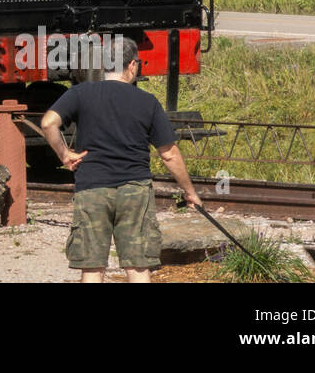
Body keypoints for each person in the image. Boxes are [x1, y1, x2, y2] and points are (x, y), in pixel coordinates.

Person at [40, 36, 201, 282]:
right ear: (133, 65)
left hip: (92, 188)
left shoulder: (81, 93)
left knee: (92, 268)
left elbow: (48, 122)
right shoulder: (147, 101)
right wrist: (189, 191)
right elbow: (169, 154)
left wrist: (64, 154)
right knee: (137, 266)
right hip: (134, 190)